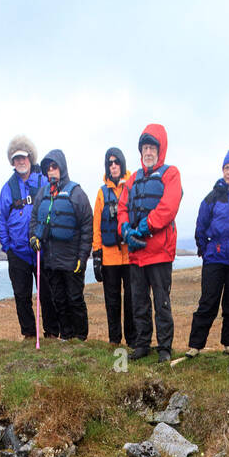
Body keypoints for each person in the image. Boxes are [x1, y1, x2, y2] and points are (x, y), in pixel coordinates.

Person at [117, 124, 182, 362]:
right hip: (136, 252)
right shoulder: (132, 179)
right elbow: (123, 208)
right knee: (139, 301)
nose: (148, 152)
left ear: (160, 149)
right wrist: (125, 230)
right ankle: (142, 344)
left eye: (152, 147)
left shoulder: (171, 174)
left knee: (161, 302)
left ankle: (164, 347)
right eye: (145, 147)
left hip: (160, 252)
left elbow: (168, 207)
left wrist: (144, 227)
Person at [186, 149, 229, 357]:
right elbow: (201, 226)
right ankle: (195, 346)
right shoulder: (212, 197)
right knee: (208, 302)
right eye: (226, 168)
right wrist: (205, 250)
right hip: (215, 258)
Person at [0, 137, 60, 340]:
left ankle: (51, 332)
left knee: (47, 293)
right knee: (21, 296)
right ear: (12, 162)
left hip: (42, 249)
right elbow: (1, 218)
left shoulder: (43, 181)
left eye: (23, 157)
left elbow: (54, 206)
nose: (20, 162)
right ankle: (29, 334)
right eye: (16, 159)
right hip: (18, 252)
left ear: (30, 158)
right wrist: (7, 246)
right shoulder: (8, 188)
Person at [29, 150, 92, 341]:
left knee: (74, 298)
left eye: (54, 167)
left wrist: (82, 257)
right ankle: (66, 335)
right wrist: (33, 237)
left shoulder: (77, 194)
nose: (51, 171)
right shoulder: (42, 194)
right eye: (48, 168)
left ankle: (80, 336)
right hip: (50, 259)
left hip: (71, 259)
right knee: (59, 299)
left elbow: (87, 226)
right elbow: (34, 219)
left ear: (62, 168)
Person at [92, 148, 134, 346]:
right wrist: (97, 255)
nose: (114, 166)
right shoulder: (101, 193)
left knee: (132, 300)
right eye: (110, 163)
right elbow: (97, 226)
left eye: (117, 162)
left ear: (122, 164)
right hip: (109, 258)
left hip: (131, 256)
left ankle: (133, 341)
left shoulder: (132, 186)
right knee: (112, 301)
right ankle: (114, 341)